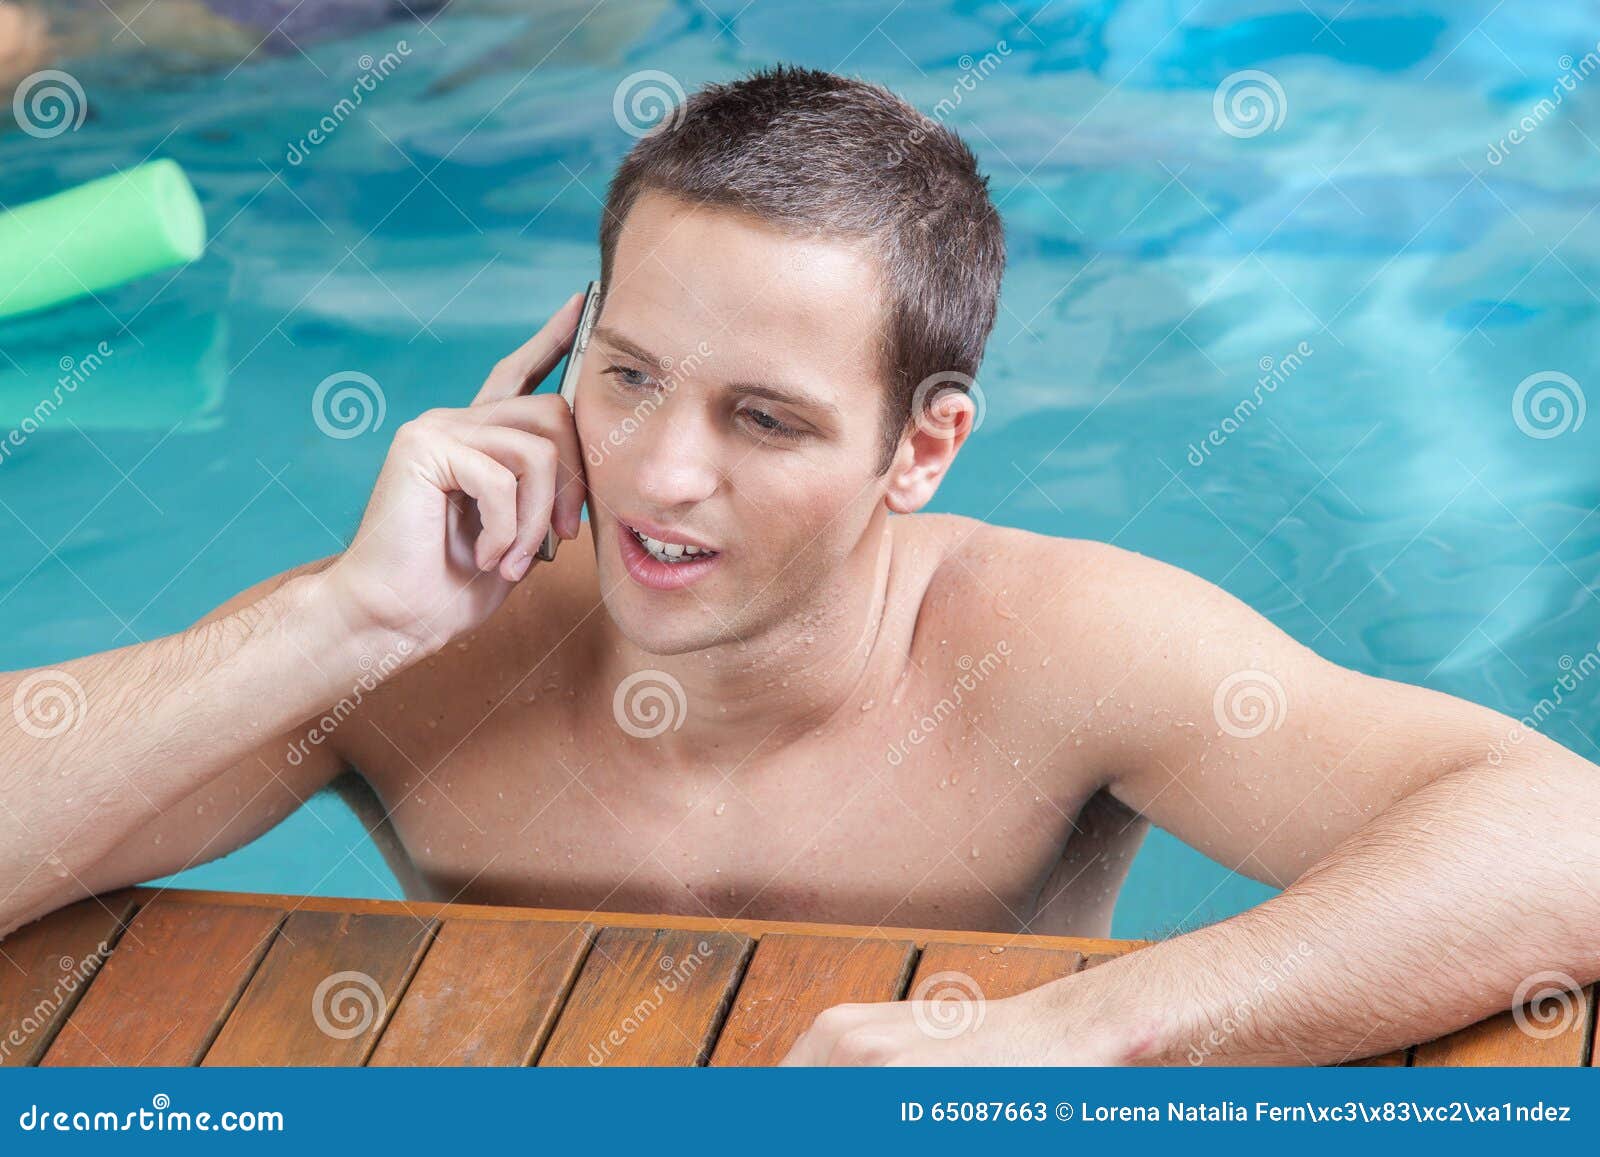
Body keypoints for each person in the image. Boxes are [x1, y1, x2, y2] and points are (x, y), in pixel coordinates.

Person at [3, 65, 1596, 1067]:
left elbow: (1562, 833)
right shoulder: (409, 649)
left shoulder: (1051, 646)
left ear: (923, 447)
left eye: (763, 418)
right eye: (625, 377)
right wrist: (343, 618)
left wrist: (1088, 1031)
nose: (663, 474)